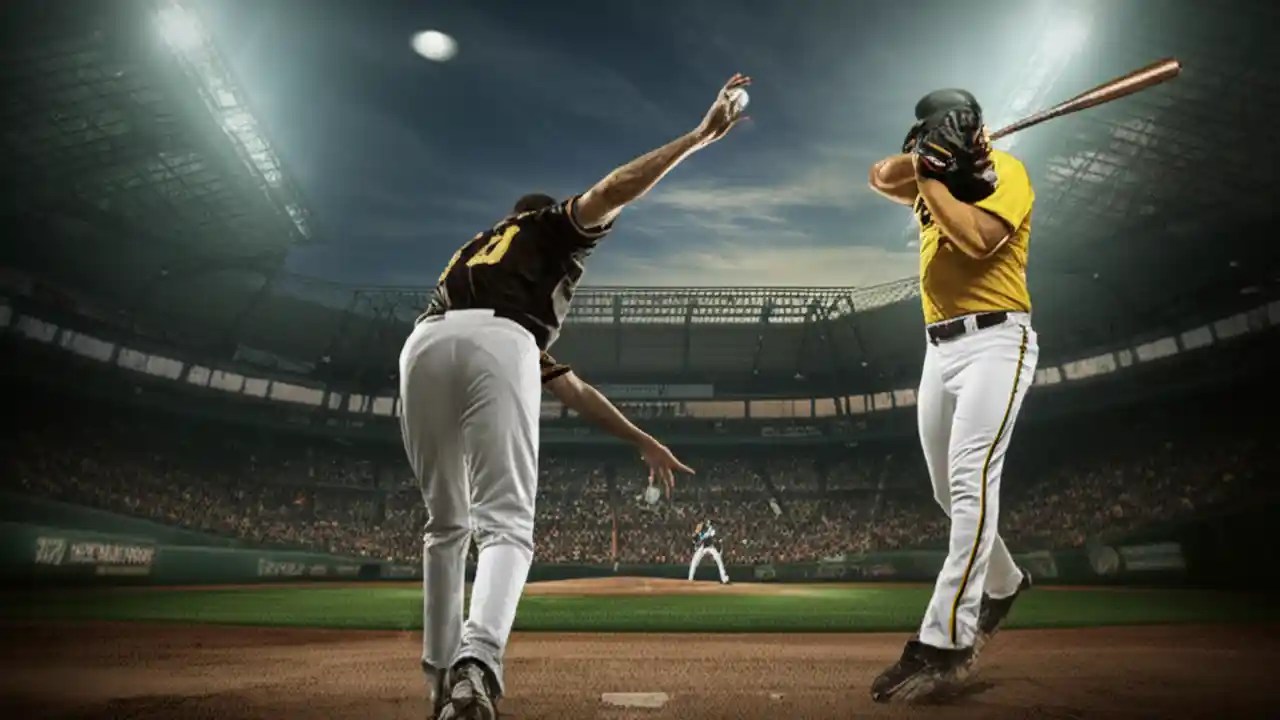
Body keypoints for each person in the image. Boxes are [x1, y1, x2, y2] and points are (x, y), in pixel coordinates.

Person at [398, 73, 751, 720]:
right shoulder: (549, 228)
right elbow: (614, 187)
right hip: (500, 343)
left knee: (445, 525)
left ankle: (438, 677)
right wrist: (700, 137)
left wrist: (640, 437)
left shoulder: (479, 252)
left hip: (423, 343)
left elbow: (570, 386)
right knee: (505, 526)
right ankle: (477, 666)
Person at [865, 89, 1038, 703]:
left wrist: (935, 178)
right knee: (943, 486)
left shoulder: (1007, 173)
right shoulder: (933, 172)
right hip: (939, 352)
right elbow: (877, 175)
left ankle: (944, 640)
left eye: (931, 130)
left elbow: (976, 240)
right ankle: (1005, 580)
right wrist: (924, 162)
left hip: (997, 342)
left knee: (969, 483)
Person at [688, 519, 730, 584]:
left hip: (710, 547)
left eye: (709, 523)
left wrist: (698, 535)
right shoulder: (701, 529)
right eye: (707, 523)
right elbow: (695, 538)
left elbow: (710, 536)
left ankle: (724, 578)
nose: (708, 524)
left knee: (719, 560)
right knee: (694, 562)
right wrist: (696, 534)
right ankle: (690, 579)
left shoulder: (711, 529)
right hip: (702, 547)